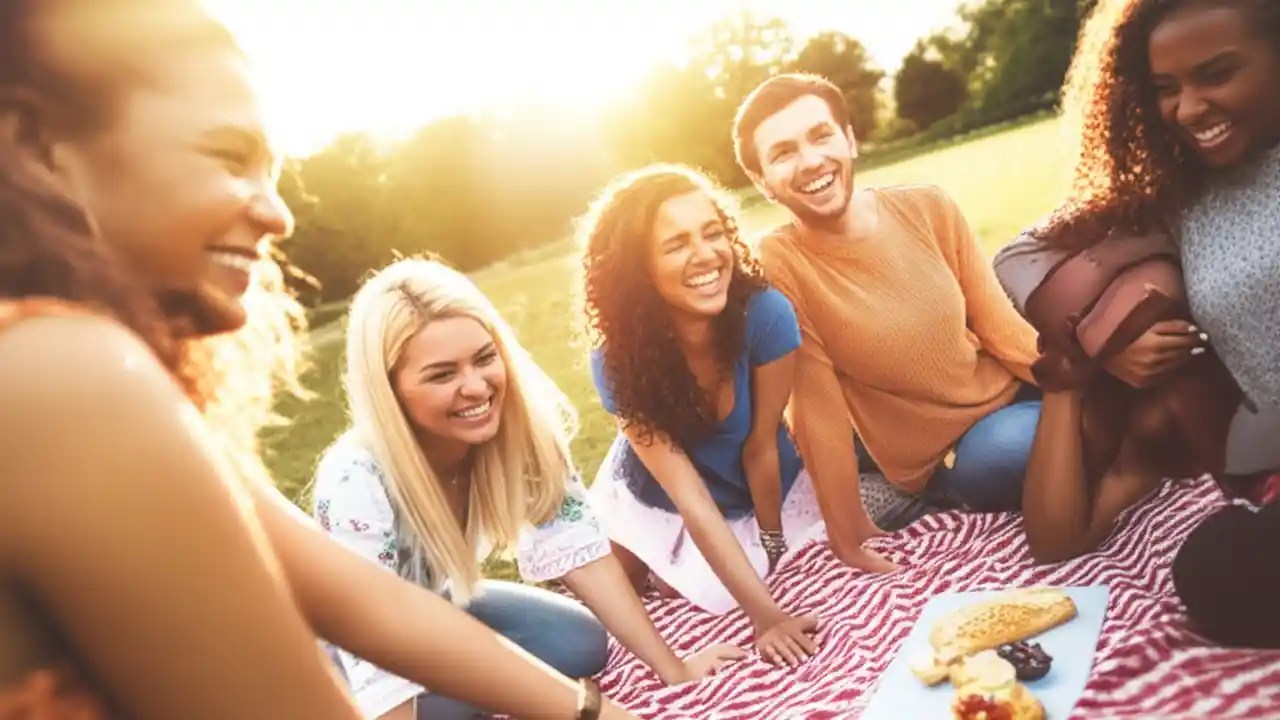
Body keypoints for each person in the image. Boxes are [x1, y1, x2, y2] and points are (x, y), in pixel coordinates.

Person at [0, 1, 641, 717]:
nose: (279, 215)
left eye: (273, 172)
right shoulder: (62, 377)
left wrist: (591, 712)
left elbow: (375, 605)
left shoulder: (64, 371)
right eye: (226, 157)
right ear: (42, 149)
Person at [316, 257, 742, 719]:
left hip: (441, 604)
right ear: (390, 389)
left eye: (484, 358)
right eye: (442, 374)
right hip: (346, 651)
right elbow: (374, 648)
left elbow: (579, 548)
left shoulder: (516, 429)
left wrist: (673, 669)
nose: (477, 387)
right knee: (455, 710)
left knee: (579, 644)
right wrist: (580, 709)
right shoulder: (355, 478)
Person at [994, 0, 1280, 645]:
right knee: (1214, 569)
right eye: (1166, 90)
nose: (1189, 108)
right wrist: (1103, 347)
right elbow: (1018, 258)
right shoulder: (1180, 197)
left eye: (1218, 74)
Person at [730, 73, 1042, 574]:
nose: (810, 160)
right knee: (1011, 451)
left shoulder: (928, 206)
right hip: (954, 454)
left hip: (1013, 395)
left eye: (821, 135)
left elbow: (1001, 330)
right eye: (783, 152)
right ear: (763, 182)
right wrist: (847, 534)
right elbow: (815, 411)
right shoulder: (780, 263)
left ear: (849, 139)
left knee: (1091, 402)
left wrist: (1078, 383)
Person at [578, 164, 824, 666]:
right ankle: (636, 553)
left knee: (751, 577)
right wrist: (765, 619)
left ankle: (669, 569)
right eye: (676, 244)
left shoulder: (767, 315)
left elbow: (761, 447)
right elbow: (688, 497)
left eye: (712, 234)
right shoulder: (615, 362)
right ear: (638, 268)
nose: (706, 255)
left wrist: (772, 542)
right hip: (659, 494)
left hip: (754, 484)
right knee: (612, 600)